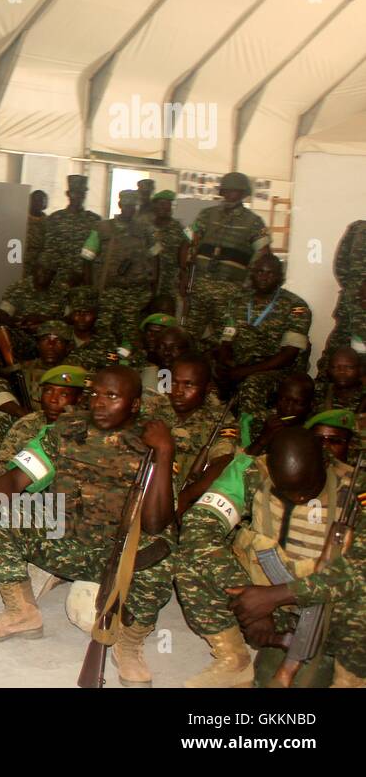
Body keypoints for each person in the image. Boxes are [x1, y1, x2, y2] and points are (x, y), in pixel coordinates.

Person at [0, 366, 176, 687]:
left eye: (112, 396)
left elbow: (158, 521)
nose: (99, 403)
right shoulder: (67, 430)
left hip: (118, 557)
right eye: (95, 395)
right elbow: (18, 477)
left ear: (135, 405)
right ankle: (22, 613)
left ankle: (129, 643)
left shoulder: (149, 443)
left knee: (161, 552)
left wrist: (164, 451)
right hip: (66, 536)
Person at [175, 426, 363, 687]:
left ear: (324, 462)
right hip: (265, 600)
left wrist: (277, 595)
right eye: (288, 491)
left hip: (332, 610)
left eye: (307, 490)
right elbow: (199, 524)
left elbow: (359, 571)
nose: (298, 498)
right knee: (192, 558)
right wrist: (249, 600)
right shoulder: (252, 472)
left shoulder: (356, 489)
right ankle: (234, 661)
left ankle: (350, 679)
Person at [213, 253, 311, 415]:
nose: (264, 277)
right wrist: (225, 362)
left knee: (252, 384)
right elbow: (227, 337)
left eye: (269, 273)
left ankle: (248, 434)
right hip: (239, 364)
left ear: (280, 277)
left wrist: (244, 372)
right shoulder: (238, 301)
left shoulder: (296, 306)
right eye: (259, 272)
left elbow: (289, 354)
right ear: (252, 274)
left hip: (275, 370)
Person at [183, 171, 270, 342]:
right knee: (187, 336)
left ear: (244, 194)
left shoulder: (254, 222)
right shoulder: (206, 214)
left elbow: (263, 254)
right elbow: (187, 242)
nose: (230, 195)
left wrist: (248, 286)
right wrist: (184, 275)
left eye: (235, 191)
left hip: (231, 292)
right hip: (199, 287)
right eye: (226, 190)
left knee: (225, 341)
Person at [82, 190, 160, 356]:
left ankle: (127, 365)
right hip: (109, 290)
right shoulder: (102, 228)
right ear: (120, 205)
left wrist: (154, 286)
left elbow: (156, 257)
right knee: (104, 328)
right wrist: (90, 289)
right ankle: (102, 362)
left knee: (130, 331)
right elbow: (87, 258)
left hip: (136, 291)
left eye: (132, 206)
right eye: (126, 206)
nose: (129, 209)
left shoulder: (145, 230)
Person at [166, 353, 239, 495]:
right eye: (174, 382)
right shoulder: (154, 405)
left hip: (185, 497)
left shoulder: (222, 420)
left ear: (208, 388)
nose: (178, 392)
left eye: (189, 384)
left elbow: (222, 463)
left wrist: (184, 500)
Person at [317, 219, 366, 375]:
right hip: (351, 309)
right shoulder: (358, 228)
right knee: (335, 359)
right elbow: (341, 267)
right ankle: (323, 394)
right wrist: (354, 289)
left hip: (353, 306)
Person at [0, 263, 66, 362]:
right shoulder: (18, 288)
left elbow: (68, 321)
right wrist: (22, 323)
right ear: (34, 269)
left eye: (49, 272)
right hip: (23, 336)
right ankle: (12, 370)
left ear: (53, 275)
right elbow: (0, 317)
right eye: (41, 269)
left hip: (50, 339)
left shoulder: (61, 292)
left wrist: (42, 320)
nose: (44, 274)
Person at [41, 174, 101, 290]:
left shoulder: (94, 220)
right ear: (68, 194)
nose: (78, 197)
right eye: (75, 193)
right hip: (58, 278)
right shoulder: (56, 218)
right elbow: (49, 250)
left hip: (84, 278)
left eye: (81, 193)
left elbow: (97, 252)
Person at [146, 190, 189, 308]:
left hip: (170, 281)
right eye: (161, 204)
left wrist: (184, 277)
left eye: (168, 204)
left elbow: (187, 253)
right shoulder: (145, 227)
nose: (164, 207)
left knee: (167, 311)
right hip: (147, 280)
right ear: (154, 206)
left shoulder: (181, 229)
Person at [17, 321, 76, 406]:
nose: (51, 345)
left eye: (58, 341)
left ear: (68, 347)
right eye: (45, 340)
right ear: (37, 344)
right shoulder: (22, 370)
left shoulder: (76, 374)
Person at [314, 345, 365, 413]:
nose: (342, 372)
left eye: (349, 367)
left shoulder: (363, 396)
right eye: (335, 367)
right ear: (328, 369)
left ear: (359, 370)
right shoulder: (318, 392)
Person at [24, 189, 48, 277]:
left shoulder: (48, 222)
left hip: (39, 265)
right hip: (21, 262)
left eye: (42, 201)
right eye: (36, 200)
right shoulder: (22, 220)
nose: (39, 203)